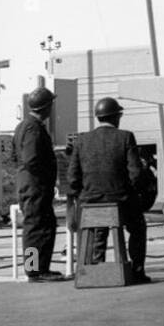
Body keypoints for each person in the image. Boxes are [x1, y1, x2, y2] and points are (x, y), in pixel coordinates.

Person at [68, 97, 152, 283]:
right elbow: (136, 174)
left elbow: (72, 178)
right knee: (137, 227)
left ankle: (96, 270)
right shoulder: (125, 137)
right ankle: (137, 271)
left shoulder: (82, 141)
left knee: (99, 229)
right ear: (117, 117)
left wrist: (83, 195)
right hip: (120, 199)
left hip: (90, 201)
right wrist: (134, 192)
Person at [14, 87, 64, 281]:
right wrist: (46, 176)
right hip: (35, 186)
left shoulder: (23, 126)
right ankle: (34, 271)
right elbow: (31, 159)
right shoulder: (33, 128)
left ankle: (39, 268)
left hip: (30, 184)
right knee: (35, 229)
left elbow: (16, 157)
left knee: (43, 226)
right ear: (47, 107)